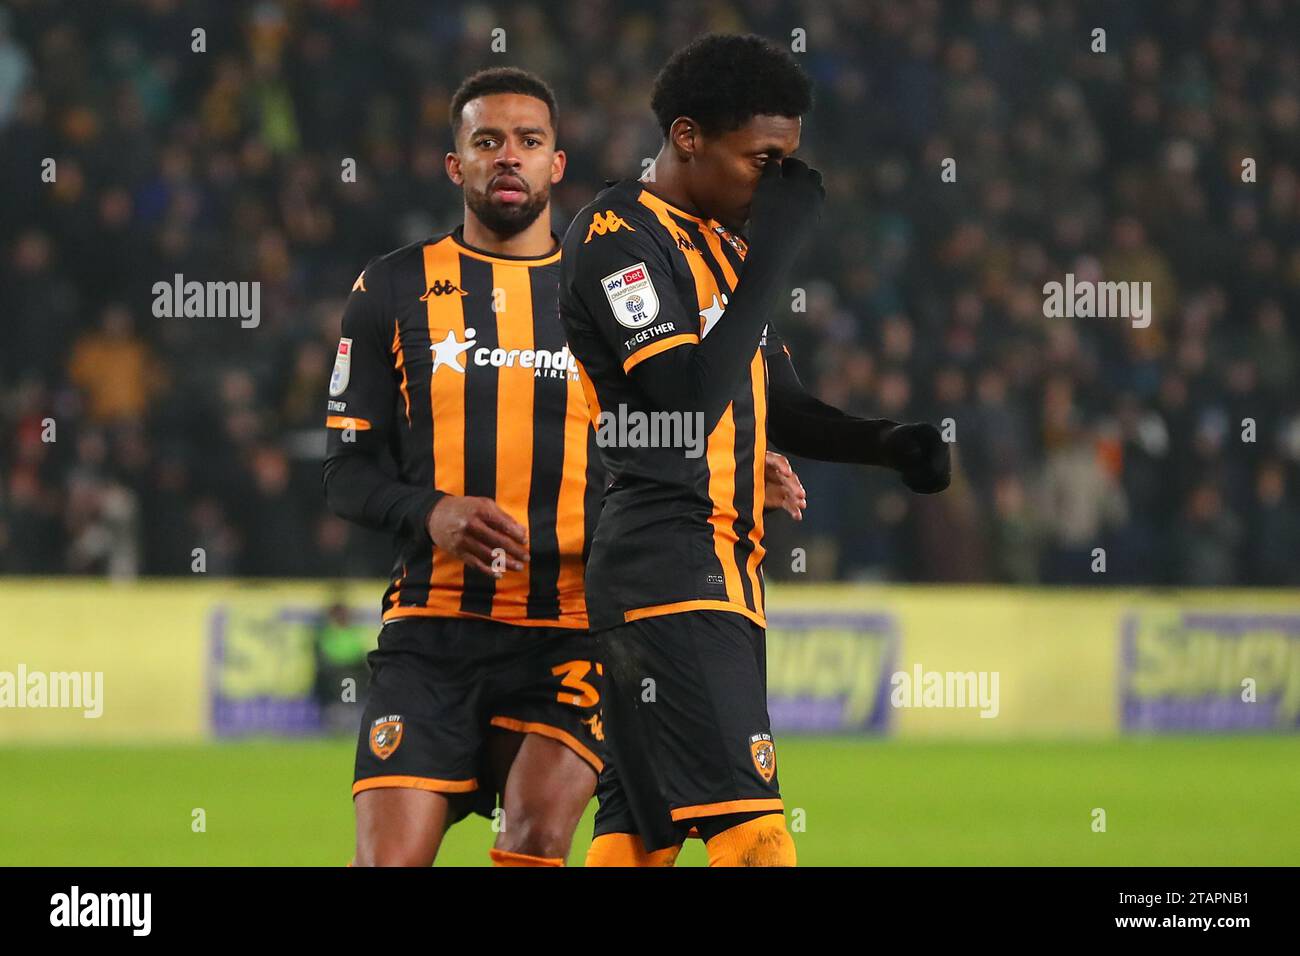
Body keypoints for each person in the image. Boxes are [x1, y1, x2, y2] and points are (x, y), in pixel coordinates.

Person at [322, 66, 807, 866]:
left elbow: (663, 408)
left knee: (538, 835)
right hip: (433, 626)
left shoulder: (607, 273)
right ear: (457, 166)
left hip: (574, 625)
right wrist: (431, 511)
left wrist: (733, 460)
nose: (507, 157)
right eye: (487, 142)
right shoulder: (390, 288)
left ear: (557, 164)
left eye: (528, 141)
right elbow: (346, 471)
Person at [559, 34, 950, 867]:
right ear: (689, 137)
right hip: (669, 564)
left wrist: (887, 443)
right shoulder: (618, 236)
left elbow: (780, 402)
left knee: (638, 837)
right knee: (758, 840)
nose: (774, 183)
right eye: (760, 159)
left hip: (709, 564)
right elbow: (683, 403)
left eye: (787, 164)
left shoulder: (723, 243)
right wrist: (777, 248)